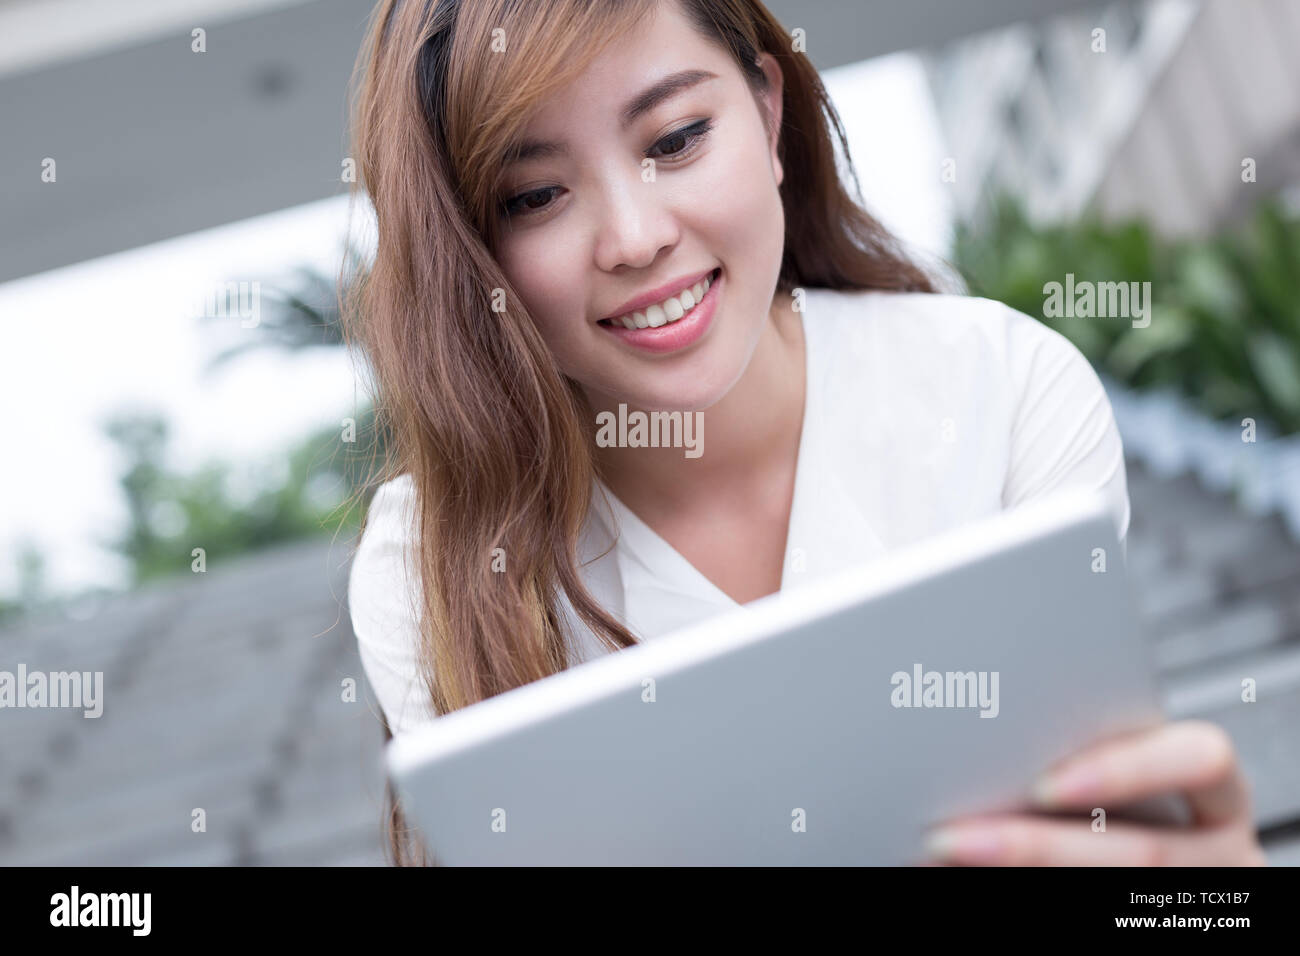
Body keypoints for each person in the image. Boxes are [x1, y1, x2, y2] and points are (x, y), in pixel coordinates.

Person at [341, 0, 1267, 866]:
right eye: (534, 197)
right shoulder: (429, 566)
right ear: (471, 250)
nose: (633, 237)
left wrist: (1195, 903)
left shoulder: (1001, 388)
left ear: (768, 112)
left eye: (676, 138)